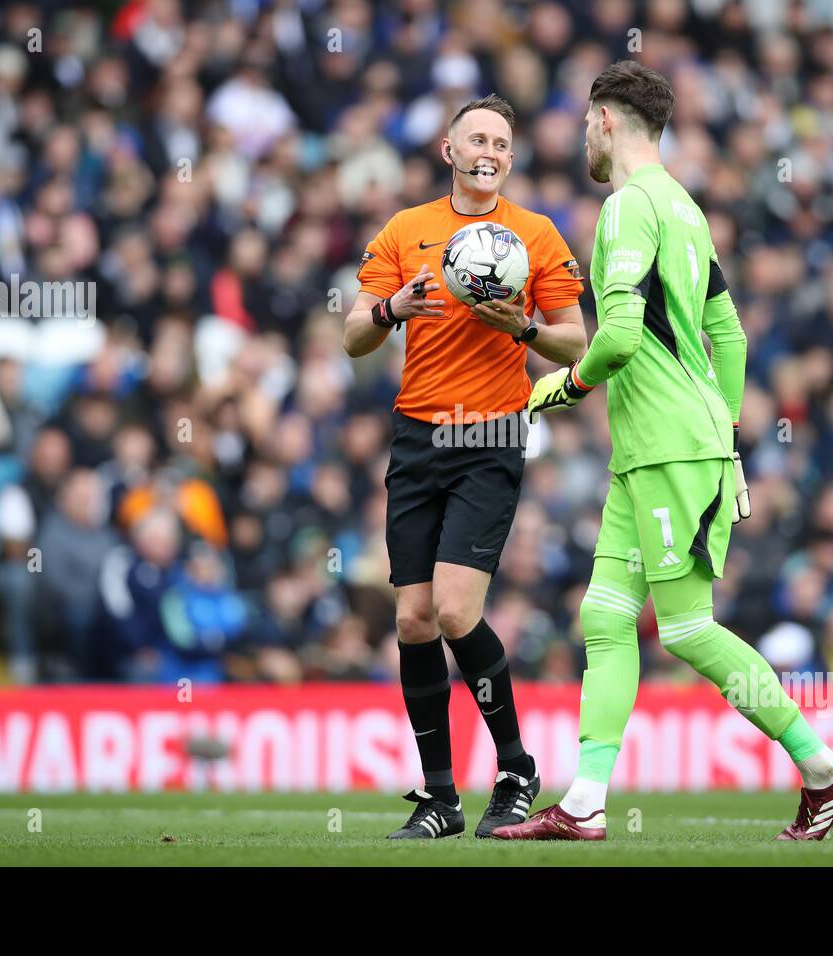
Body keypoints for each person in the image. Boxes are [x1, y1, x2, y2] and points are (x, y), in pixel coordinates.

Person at [498, 61, 833, 842]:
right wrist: (725, 432)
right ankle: (587, 803)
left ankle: (825, 769)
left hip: (670, 448)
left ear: (605, 121)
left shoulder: (627, 207)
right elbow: (727, 335)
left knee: (688, 628)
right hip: (654, 452)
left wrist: (552, 386)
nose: (580, 139)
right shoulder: (688, 209)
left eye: (584, 124)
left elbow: (622, 338)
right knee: (604, 617)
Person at [343, 94, 588, 839]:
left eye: (503, 142)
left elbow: (577, 343)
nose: (490, 149)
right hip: (418, 437)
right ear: (449, 150)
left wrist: (526, 329)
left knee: (455, 609)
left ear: (511, 159)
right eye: (477, 137)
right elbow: (353, 334)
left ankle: (515, 768)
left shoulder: (537, 236)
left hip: (488, 436)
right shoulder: (405, 231)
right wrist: (392, 312)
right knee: (414, 620)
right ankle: (442, 799)